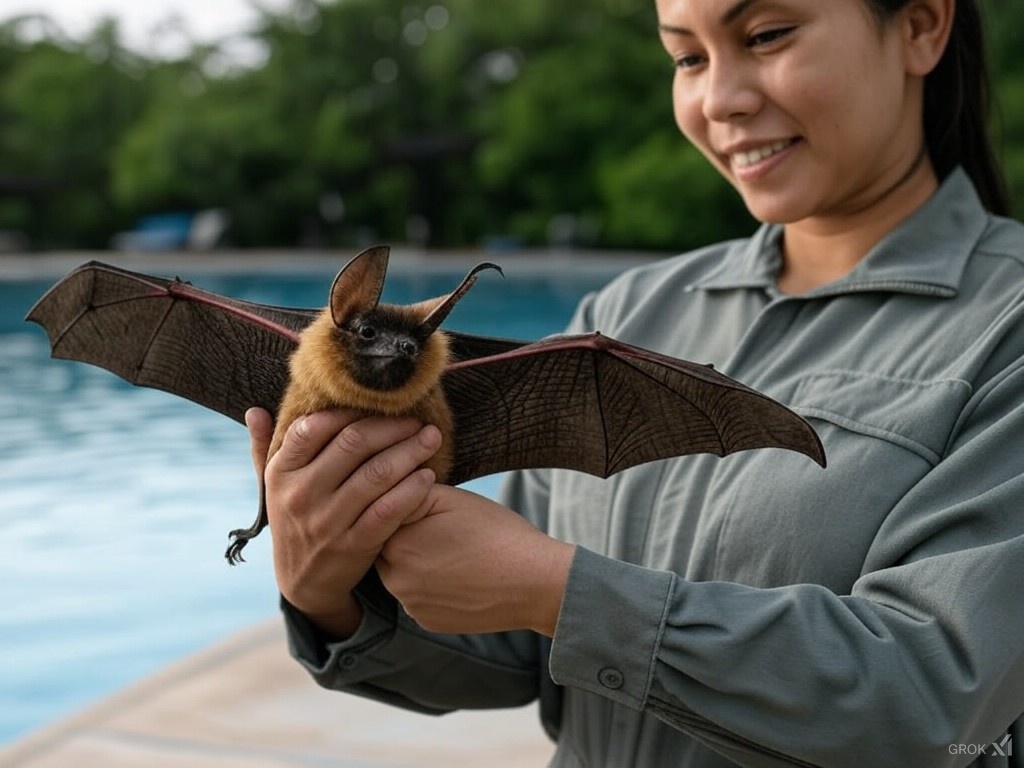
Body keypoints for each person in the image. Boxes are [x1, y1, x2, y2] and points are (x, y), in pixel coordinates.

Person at [244, 0, 1024, 764]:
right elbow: (513, 651)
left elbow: (935, 707)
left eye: (768, 34)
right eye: (687, 56)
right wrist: (335, 598)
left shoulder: (1005, 328)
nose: (719, 98)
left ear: (921, 26)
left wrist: (562, 593)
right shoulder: (624, 315)